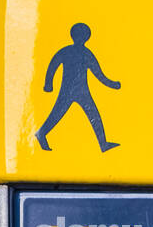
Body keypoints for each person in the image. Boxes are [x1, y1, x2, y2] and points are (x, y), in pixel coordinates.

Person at [36, 23, 121, 152]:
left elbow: (98, 73)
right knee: (57, 114)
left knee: (94, 115)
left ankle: (103, 144)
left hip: (81, 91)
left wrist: (112, 84)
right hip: (69, 91)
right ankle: (42, 133)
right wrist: (48, 84)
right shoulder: (73, 52)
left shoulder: (80, 53)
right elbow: (53, 65)